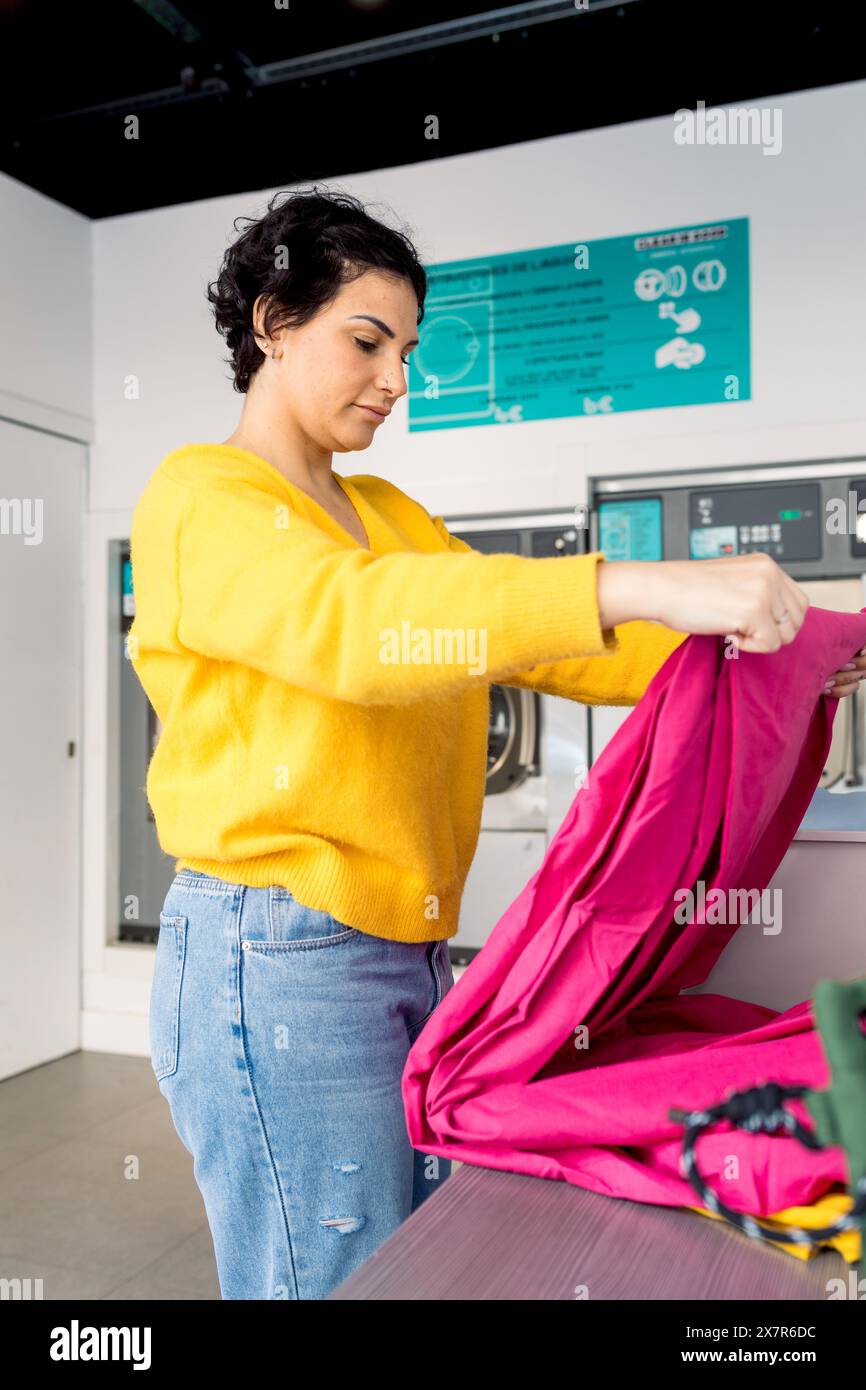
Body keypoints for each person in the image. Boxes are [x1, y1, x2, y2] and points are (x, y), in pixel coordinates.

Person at [130, 185, 866, 1301]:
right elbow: (359, 627)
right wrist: (652, 576)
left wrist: (781, 645)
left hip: (403, 954)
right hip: (270, 954)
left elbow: (555, 649)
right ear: (273, 321)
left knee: (409, 1265)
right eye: (366, 341)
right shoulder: (203, 494)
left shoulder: (384, 512)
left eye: (409, 352)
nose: (396, 381)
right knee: (329, 1280)